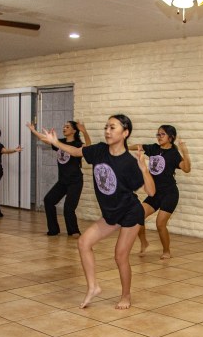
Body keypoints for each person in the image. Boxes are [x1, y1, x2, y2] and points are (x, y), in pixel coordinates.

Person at [35, 114, 155, 310]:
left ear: (125, 133)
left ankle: (126, 295)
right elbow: (76, 151)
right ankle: (93, 287)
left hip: (130, 213)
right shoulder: (99, 150)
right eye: (106, 127)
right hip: (111, 213)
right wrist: (55, 142)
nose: (107, 131)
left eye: (112, 128)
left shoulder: (129, 162)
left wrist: (144, 169)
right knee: (84, 242)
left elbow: (151, 192)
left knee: (120, 256)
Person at [129, 125, 191, 259]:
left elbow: (186, 169)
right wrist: (124, 147)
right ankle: (144, 242)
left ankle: (166, 251)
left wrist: (185, 152)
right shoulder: (154, 148)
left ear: (171, 137)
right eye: (158, 134)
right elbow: (139, 146)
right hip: (154, 193)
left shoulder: (174, 154)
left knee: (160, 224)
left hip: (169, 194)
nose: (159, 137)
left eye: (162, 134)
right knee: (137, 216)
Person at [27, 120, 91, 236]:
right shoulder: (59, 142)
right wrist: (33, 130)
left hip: (75, 181)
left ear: (74, 131)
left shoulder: (77, 144)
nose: (64, 128)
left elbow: (88, 147)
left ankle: (74, 231)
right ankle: (54, 229)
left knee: (68, 208)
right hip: (63, 181)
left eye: (67, 127)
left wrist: (84, 132)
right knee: (49, 200)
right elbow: (44, 138)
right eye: (64, 126)